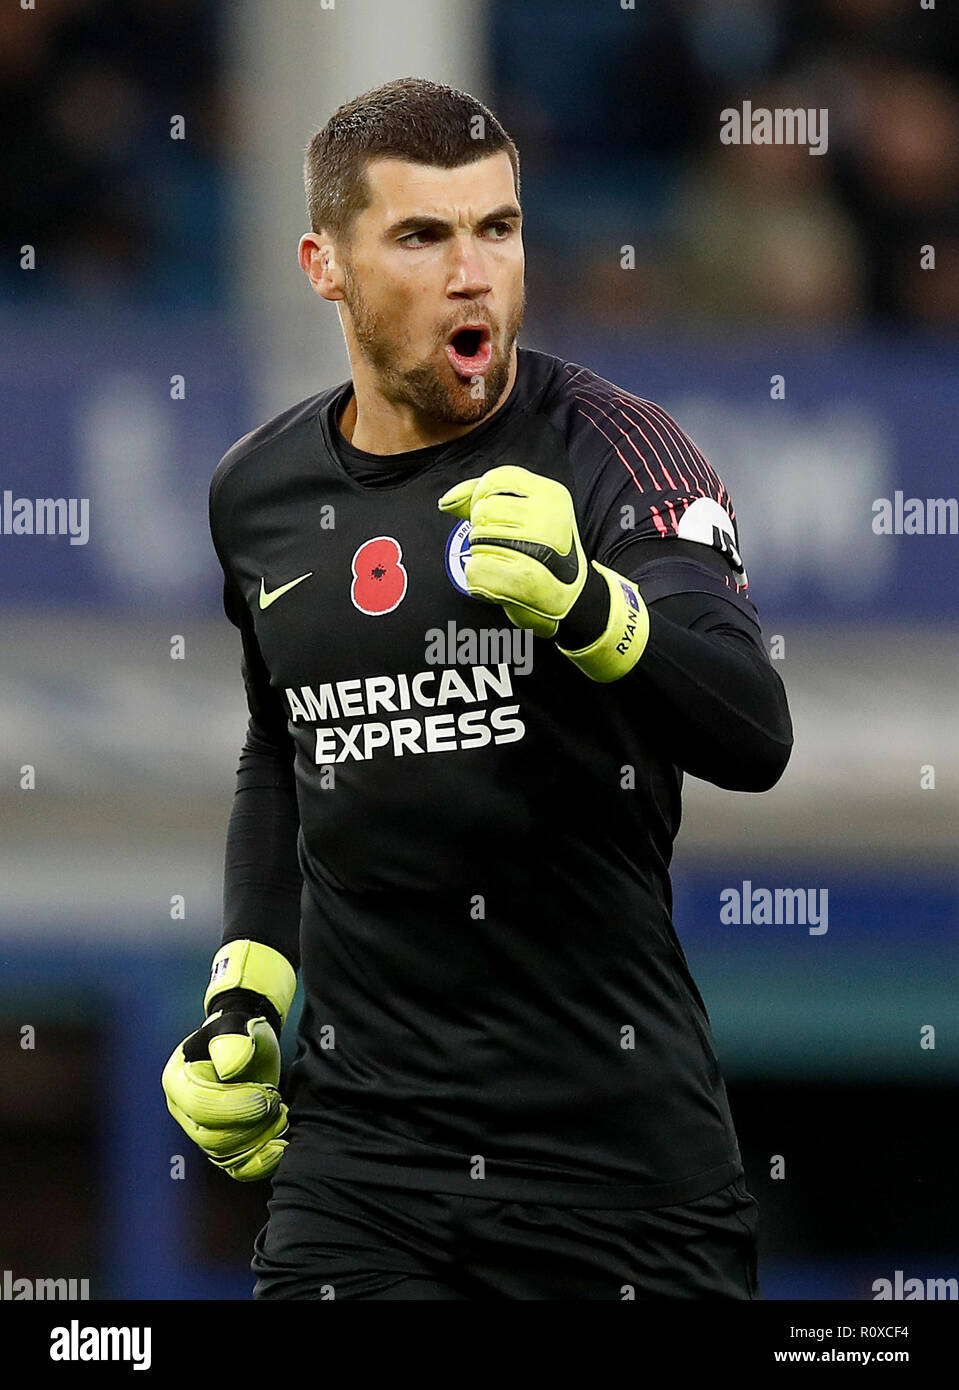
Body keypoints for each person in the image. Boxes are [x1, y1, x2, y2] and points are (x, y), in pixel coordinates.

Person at [161, 76, 793, 1300]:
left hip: (619, 1192)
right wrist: (243, 988)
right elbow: (282, 749)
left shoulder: (616, 454)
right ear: (324, 264)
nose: (473, 274)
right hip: (360, 1176)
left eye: (495, 229)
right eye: (421, 235)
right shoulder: (258, 496)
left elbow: (750, 726)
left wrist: (587, 607)